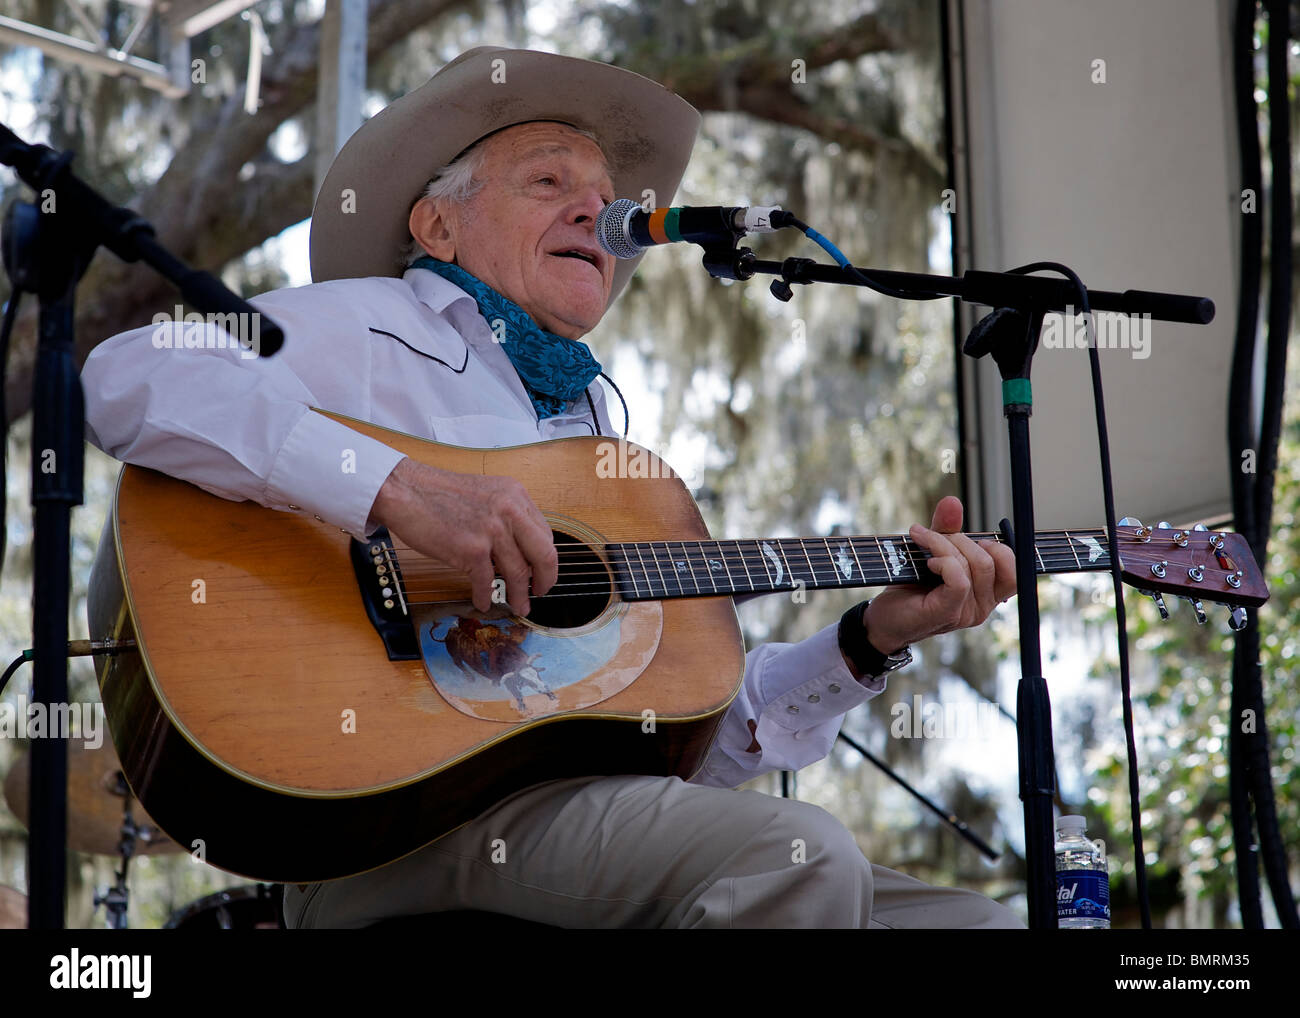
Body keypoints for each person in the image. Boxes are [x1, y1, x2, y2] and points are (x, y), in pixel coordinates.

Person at [82, 47, 1021, 928]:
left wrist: (866, 643)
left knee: (988, 923)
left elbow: (686, 744)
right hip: (375, 824)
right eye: (548, 182)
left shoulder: (593, 442)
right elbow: (130, 375)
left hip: (568, 810)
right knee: (800, 855)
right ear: (435, 221)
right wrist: (399, 490)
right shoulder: (365, 323)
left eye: (610, 201)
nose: (598, 214)